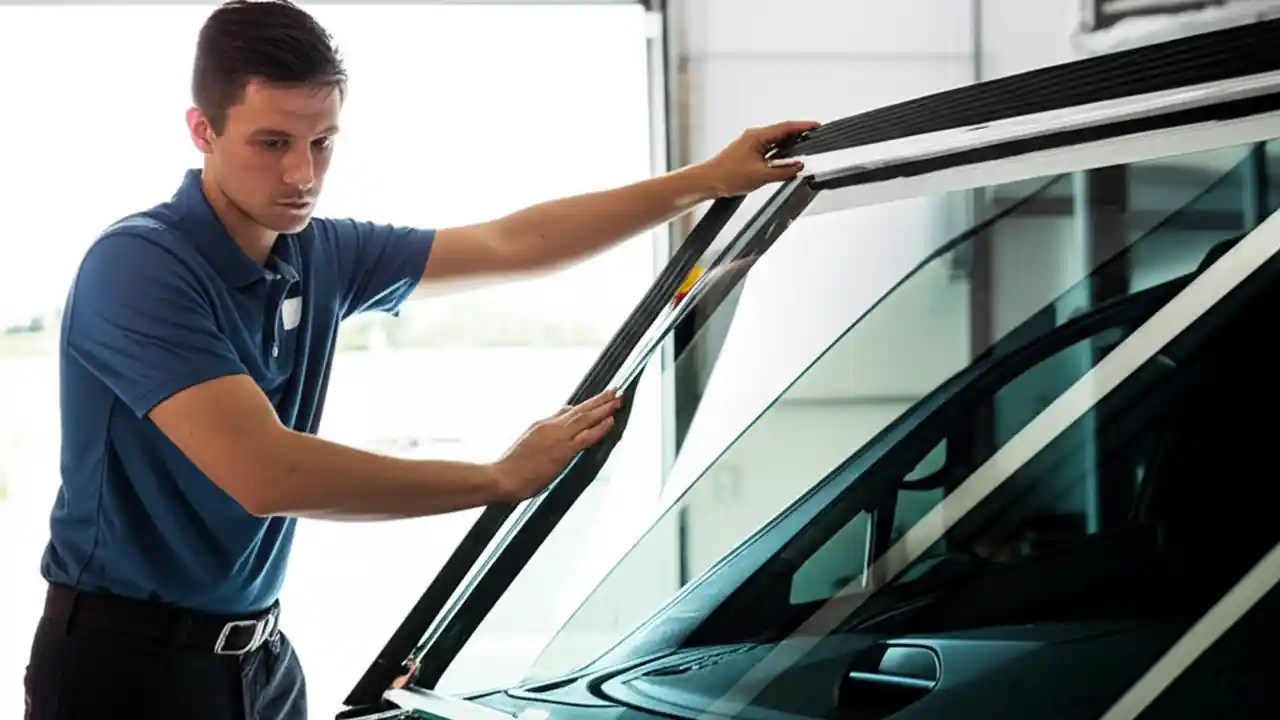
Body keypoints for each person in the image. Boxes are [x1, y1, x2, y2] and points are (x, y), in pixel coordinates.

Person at [21, 1, 815, 718]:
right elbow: (268, 475)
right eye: (272, 143)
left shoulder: (319, 251)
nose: (303, 174)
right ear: (203, 131)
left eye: (321, 142)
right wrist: (497, 479)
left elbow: (510, 244)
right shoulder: (139, 266)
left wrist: (706, 180)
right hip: (124, 668)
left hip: (260, 663)